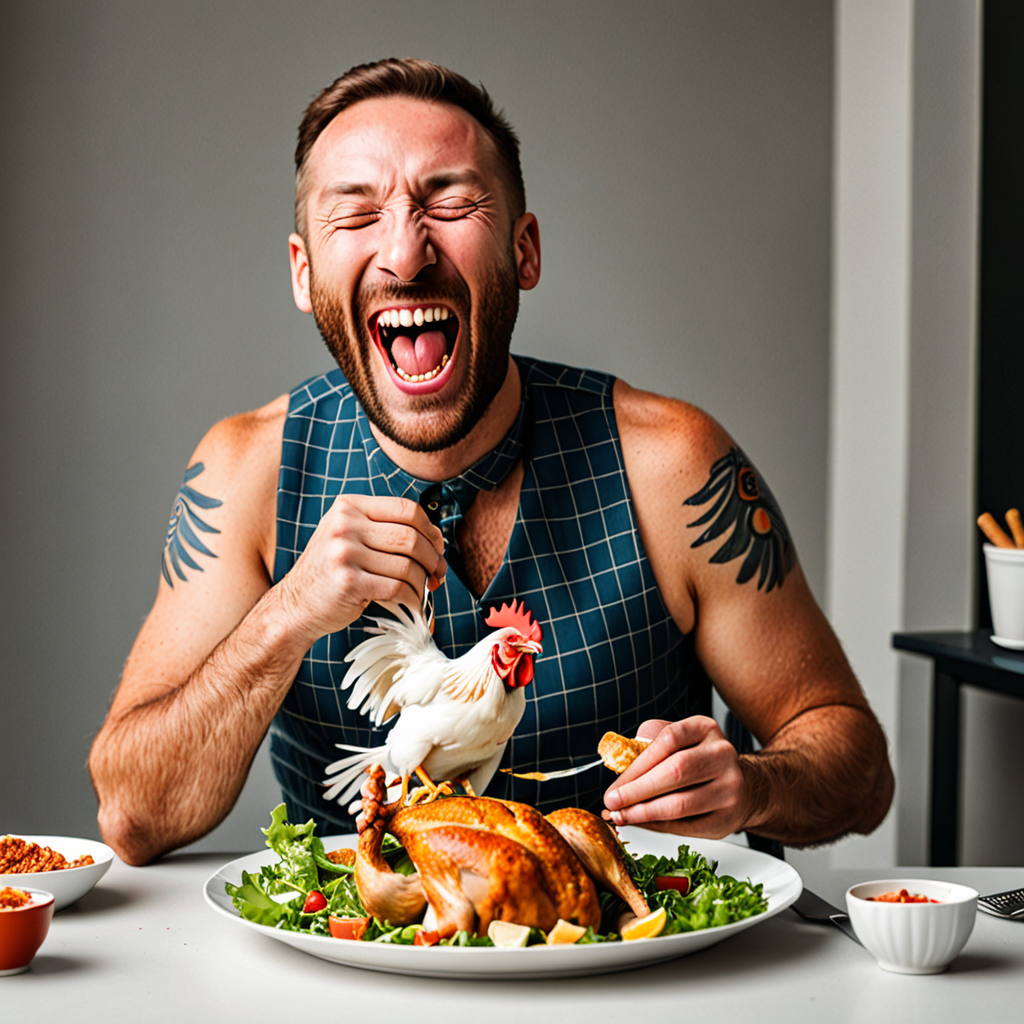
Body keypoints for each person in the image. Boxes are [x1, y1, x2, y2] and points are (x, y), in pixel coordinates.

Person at [88, 58, 894, 866]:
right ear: (305, 274)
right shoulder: (245, 475)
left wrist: (753, 785)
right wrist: (285, 613)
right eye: (357, 213)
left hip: (638, 973)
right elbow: (134, 817)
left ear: (525, 251)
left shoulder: (675, 465)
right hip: (354, 971)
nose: (406, 254)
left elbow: (859, 772)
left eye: (448, 200)